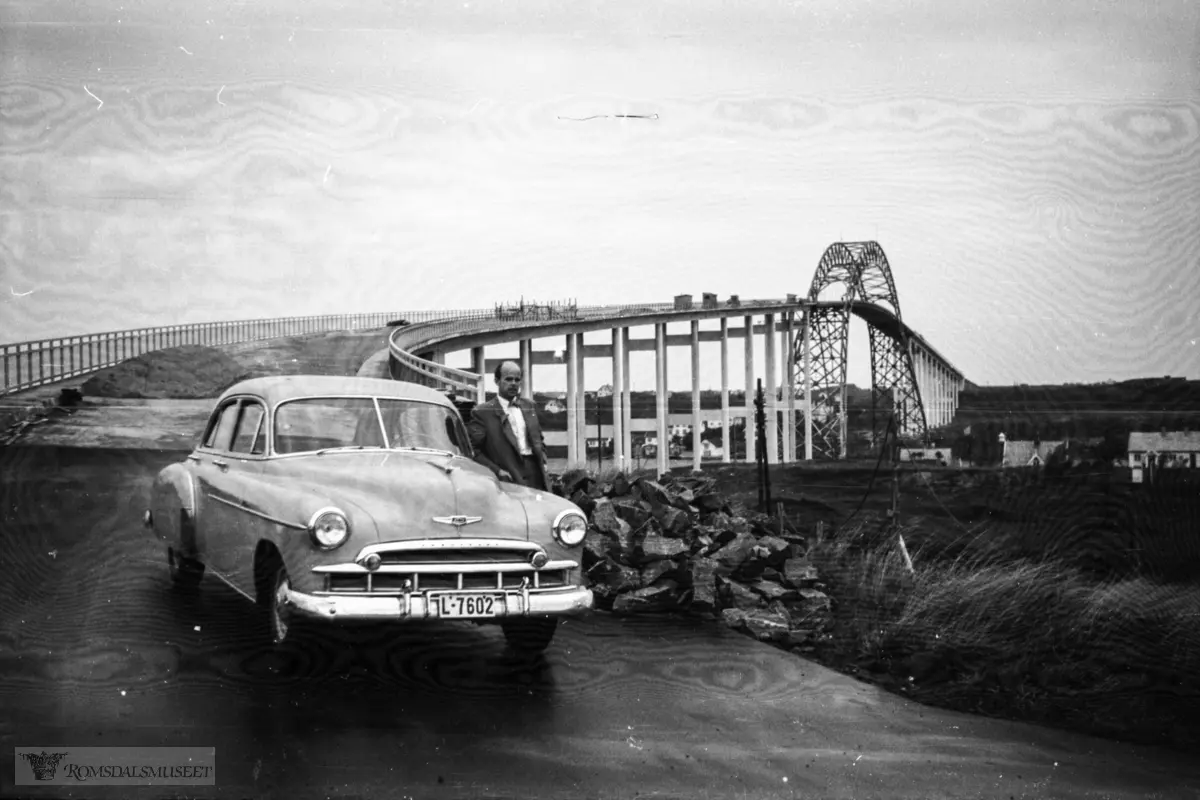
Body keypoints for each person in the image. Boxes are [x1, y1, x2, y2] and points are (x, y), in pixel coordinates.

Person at [468, 361, 548, 490]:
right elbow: (474, 451)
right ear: (496, 381)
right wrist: (497, 471)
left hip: (536, 475)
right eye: (508, 379)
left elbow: (539, 438)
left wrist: (543, 460)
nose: (514, 384)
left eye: (517, 380)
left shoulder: (530, 406)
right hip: (508, 477)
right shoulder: (482, 412)